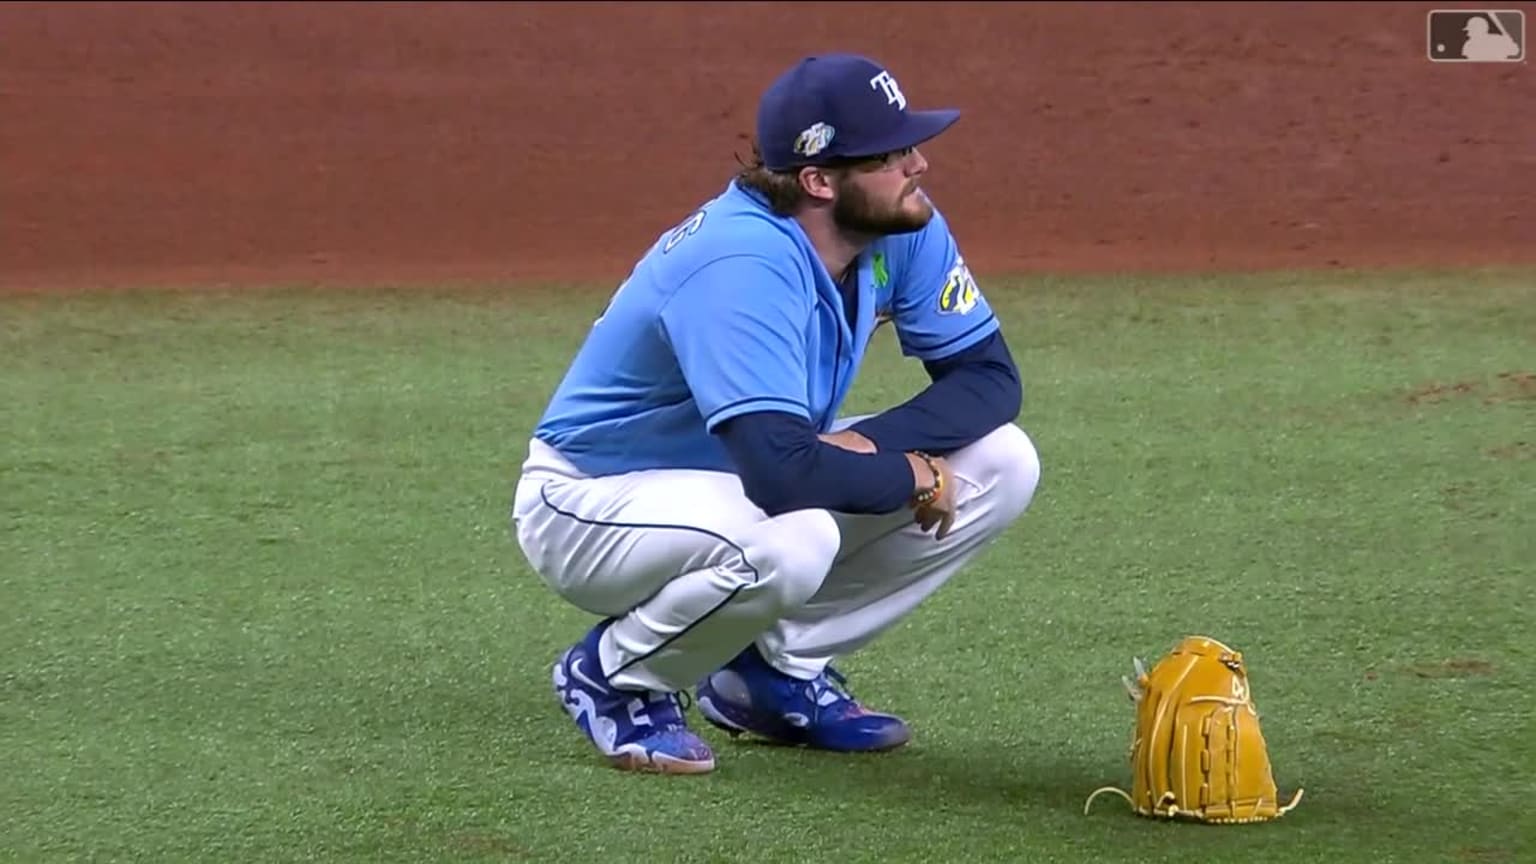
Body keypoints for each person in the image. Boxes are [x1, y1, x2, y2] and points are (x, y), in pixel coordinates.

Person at [510, 52, 1042, 775]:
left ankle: (771, 672)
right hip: (591, 501)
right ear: (820, 179)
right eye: (891, 154)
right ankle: (614, 675)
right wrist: (908, 476)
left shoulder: (902, 227)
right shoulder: (742, 261)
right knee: (798, 536)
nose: (918, 165)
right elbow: (783, 475)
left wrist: (867, 445)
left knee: (1003, 461)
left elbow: (988, 379)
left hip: (744, 481)